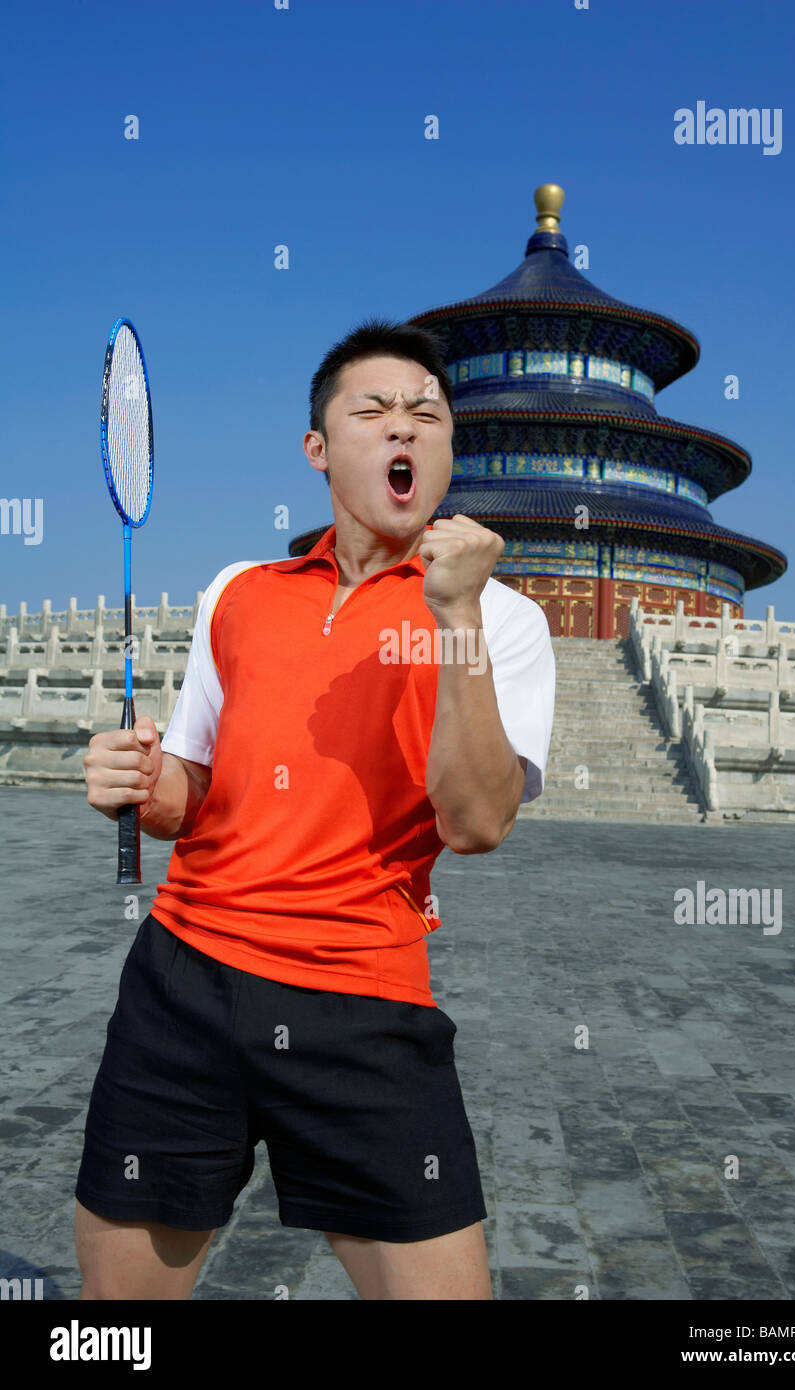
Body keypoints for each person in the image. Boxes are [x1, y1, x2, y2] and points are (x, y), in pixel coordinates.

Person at [76, 317, 556, 1300]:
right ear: (318, 448)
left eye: (428, 413)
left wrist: (454, 617)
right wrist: (140, 780)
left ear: (448, 448)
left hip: (364, 998)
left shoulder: (502, 621)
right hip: (183, 983)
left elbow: (476, 823)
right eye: (373, 410)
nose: (404, 430)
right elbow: (190, 794)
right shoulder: (237, 594)